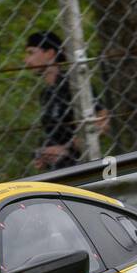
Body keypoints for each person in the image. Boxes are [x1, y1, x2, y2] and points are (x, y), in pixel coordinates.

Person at [25, 31, 111, 171]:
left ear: (50, 53)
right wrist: (44, 156)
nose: (26, 60)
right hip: (58, 170)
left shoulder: (74, 84)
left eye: (31, 52)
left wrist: (67, 148)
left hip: (83, 165)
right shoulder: (45, 94)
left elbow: (103, 121)